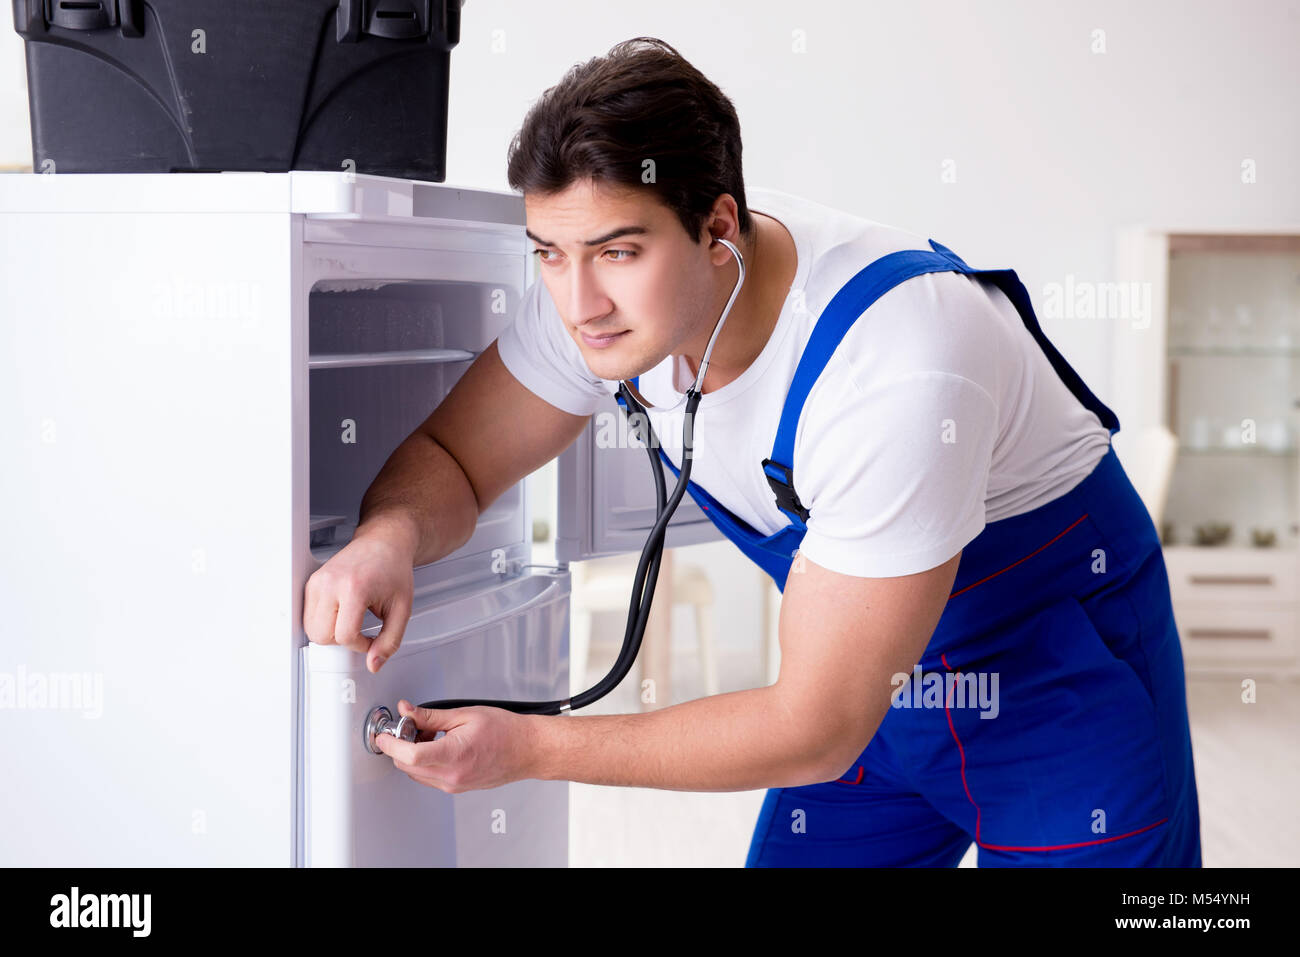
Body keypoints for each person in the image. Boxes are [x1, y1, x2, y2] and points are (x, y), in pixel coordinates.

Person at [302, 36, 1202, 867]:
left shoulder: (899, 361)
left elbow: (815, 726)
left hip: (1051, 680)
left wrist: (529, 747)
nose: (578, 304)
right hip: (856, 669)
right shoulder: (595, 306)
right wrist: (388, 534)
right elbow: (455, 458)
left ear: (718, 227)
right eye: (549, 253)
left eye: (618, 251)